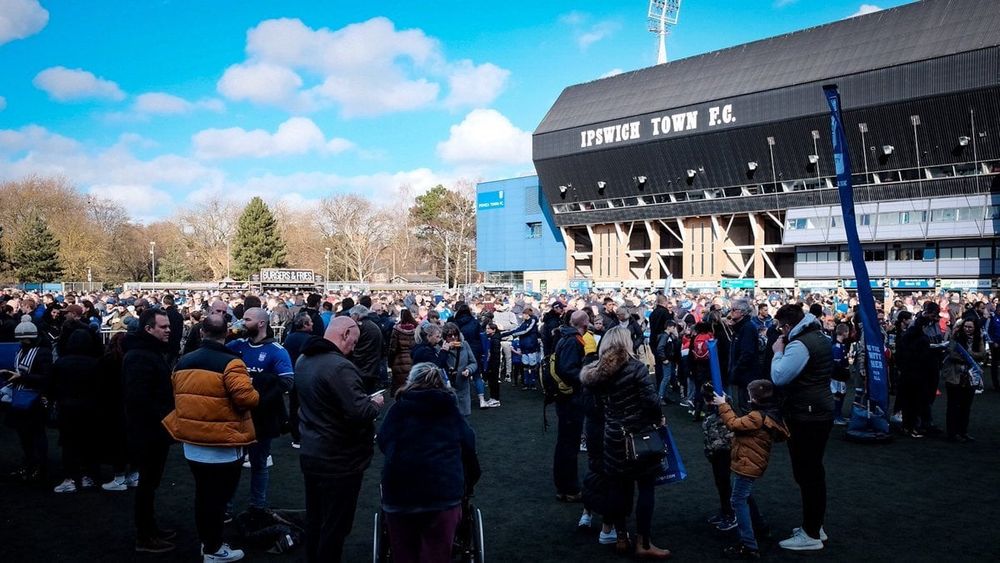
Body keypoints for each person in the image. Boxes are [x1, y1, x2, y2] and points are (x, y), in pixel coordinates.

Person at [162, 313, 259, 563]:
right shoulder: (231, 362)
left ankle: (209, 543)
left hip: (193, 443)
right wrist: (254, 387)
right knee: (216, 499)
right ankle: (213, 548)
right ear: (226, 333)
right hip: (222, 444)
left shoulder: (184, 361)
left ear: (202, 332)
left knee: (204, 496)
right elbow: (247, 399)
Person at [295, 316, 385, 563]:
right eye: (353, 342)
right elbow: (359, 412)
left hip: (312, 451)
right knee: (335, 525)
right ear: (345, 334)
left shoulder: (303, 359)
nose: (353, 348)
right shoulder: (339, 367)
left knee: (316, 519)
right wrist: (375, 403)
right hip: (339, 459)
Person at [377, 362, 481, 563]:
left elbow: (383, 441)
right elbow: (469, 444)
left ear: (410, 382)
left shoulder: (398, 409)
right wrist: (469, 479)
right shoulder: (450, 409)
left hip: (400, 494)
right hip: (442, 494)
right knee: (437, 554)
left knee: (403, 554)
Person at [581, 326, 670, 559]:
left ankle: (621, 536)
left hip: (612, 434)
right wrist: (657, 418)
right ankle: (643, 542)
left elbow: (596, 406)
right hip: (638, 435)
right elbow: (651, 401)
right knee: (646, 487)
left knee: (619, 486)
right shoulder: (635, 368)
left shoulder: (597, 373)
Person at [770, 304, 833, 552]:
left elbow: (779, 376)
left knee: (808, 473)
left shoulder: (800, 344)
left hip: (807, 414)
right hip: (818, 409)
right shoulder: (818, 335)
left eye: (780, 327)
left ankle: (811, 532)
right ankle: (814, 525)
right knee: (813, 472)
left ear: (787, 325)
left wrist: (777, 353)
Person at [227, 307, 294, 513]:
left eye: (247, 319)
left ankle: (257, 505)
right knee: (231, 464)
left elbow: (287, 381)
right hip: (235, 415)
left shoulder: (276, 350)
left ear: (261, 323)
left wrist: (257, 388)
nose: (242, 323)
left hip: (261, 418)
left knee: (259, 463)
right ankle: (226, 507)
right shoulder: (236, 345)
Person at [713, 379, 789, 560]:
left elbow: (733, 423)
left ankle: (748, 544)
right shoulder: (770, 414)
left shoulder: (756, 417)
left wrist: (723, 405)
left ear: (754, 398)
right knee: (744, 495)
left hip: (747, 463)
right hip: (753, 462)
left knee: (738, 500)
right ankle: (761, 527)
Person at [122, 308, 176, 553]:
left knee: (150, 483)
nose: (169, 330)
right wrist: (165, 417)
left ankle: (150, 528)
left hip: (154, 429)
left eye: (168, 326)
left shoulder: (150, 352)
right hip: (148, 431)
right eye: (163, 327)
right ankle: (144, 535)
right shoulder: (140, 356)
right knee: (146, 484)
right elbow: (139, 398)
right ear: (148, 329)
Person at [50, 329, 102, 493]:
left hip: (67, 408)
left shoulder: (61, 363)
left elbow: (51, 386)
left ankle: (70, 479)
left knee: (69, 445)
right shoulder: (96, 363)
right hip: (90, 409)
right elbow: (101, 388)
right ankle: (88, 476)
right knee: (89, 443)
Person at [3, 315, 52, 484]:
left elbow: (46, 377)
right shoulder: (23, 350)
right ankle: (30, 463)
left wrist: (22, 377)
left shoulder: (42, 353)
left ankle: (40, 467)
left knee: (37, 435)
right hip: (21, 398)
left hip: (34, 399)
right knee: (25, 435)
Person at [551, 310, 589, 503]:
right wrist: (587, 375)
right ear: (585, 324)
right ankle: (570, 488)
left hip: (565, 397)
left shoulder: (563, 337)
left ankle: (563, 486)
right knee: (570, 444)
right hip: (571, 399)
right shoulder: (573, 341)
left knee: (565, 443)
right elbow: (568, 369)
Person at [942, 319, 986, 442]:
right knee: (953, 406)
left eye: (970, 327)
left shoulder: (978, 339)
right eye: (965, 326)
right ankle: (952, 433)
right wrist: (967, 357)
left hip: (970, 377)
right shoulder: (955, 337)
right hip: (955, 376)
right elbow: (951, 353)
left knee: (966, 406)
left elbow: (982, 354)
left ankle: (963, 431)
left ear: (975, 328)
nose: (967, 329)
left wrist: (969, 354)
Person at [702, 383, 736, 533]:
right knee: (721, 483)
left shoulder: (723, 410)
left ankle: (732, 514)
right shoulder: (713, 412)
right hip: (716, 452)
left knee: (725, 483)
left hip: (724, 451)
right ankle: (725, 511)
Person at [282, 311, 314, 449]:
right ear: (305, 325)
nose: (312, 323)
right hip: (306, 377)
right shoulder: (309, 340)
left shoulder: (290, 338)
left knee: (294, 406)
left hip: (294, 376)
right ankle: (303, 434)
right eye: (310, 321)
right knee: (306, 407)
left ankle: (296, 435)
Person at [727, 299, 760, 415]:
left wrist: (736, 370)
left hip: (746, 376)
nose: (731, 312)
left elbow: (747, 353)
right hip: (741, 375)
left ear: (742, 312)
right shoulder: (740, 327)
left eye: (734, 310)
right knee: (741, 405)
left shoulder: (747, 328)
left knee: (745, 406)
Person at [440, 322, 478, 416]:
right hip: (447, 388)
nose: (453, 338)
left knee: (464, 417)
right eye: (450, 335)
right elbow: (438, 366)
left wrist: (468, 370)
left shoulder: (465, 345)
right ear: (444, 337)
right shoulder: (440, 348)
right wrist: (444, 351)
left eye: (455, 335)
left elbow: (473, 363)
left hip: (462, 386)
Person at [501, 306, 540, 390]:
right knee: (525, 366)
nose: (522, 316)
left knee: (532, 366)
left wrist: (514, 334)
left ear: (527, 314)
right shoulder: (524, 322)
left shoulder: (532, 321)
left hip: (531, 347)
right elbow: (517, 329)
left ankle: (532, 383)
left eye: (523, 314)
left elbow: (526, 331)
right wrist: (504, 334)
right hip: (524, 347)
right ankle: (526, 383)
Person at [349, 305, 384, 394]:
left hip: (362, 368)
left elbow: (357, 349)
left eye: (351, 315)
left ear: (356, 315)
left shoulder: (360, 327)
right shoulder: (372, 325)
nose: (350, 318)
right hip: (372, 367)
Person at [388, 308, 418, 394]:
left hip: (399, 360)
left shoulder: (396, 330)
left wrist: (390, 362)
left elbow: (392, 348)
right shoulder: (416, 329)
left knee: (400, 386)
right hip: (412, 359)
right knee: (412, 385)